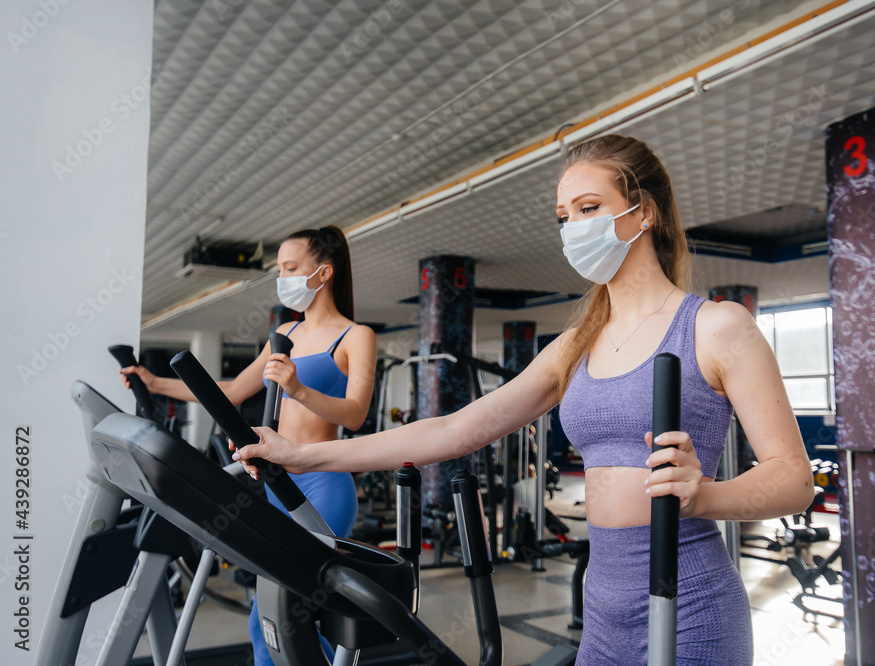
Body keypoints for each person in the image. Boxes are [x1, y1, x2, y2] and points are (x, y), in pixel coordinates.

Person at [231, 135, 814, 663]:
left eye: (590, 208)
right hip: (603, 613)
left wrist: (704, 495)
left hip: (690, 605)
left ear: (645, 212)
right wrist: (300, 455)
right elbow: (452, 430)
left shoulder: (715, 328)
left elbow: (794, 479)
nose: (574, 228)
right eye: (564, 216)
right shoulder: (574, 346)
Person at [121, 226, 376, 665]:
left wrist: (297, 388)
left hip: (324, 487)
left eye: (292, 268)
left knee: (279, 616)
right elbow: (232, 392)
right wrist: (155, 382)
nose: (283, 278)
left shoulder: (356, 336)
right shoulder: (284, 331)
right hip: (278, 488)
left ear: (324, 272)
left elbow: (355, 414)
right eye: (280, 270)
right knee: (270, 620)